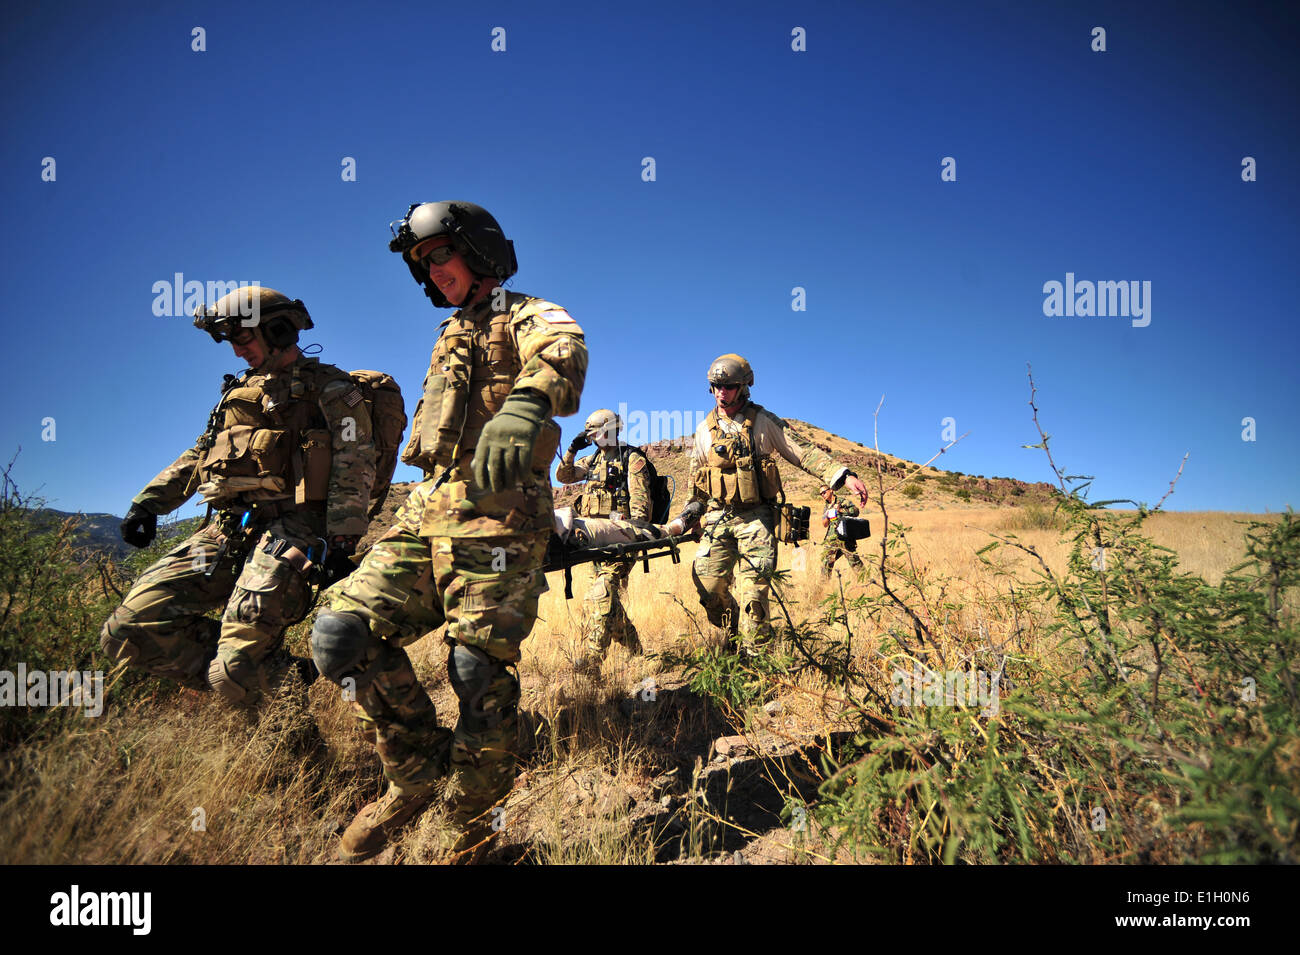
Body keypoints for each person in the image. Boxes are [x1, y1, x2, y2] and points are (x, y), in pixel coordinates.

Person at [310, 200, 587, 863]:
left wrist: (526, 402)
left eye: (438, 255)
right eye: (422, 266)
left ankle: (471, 828)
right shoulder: (450, 335)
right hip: (425, 514)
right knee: (338, 633)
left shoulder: (528, 313)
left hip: (502, 516)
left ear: (478, 250)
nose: (432, 273)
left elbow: (566, 349)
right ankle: (416, 769)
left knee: (474, 670)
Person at [101, 287, 375, 706]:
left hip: (294, 533)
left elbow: (354, 464)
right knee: (127, 631)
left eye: (242, 339)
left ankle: (288, 743)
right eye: (230, 341)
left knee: (234, 669)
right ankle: (276, 673)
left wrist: (341, 542)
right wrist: (149, 503)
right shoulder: (237, 394)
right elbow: (200, 452)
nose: (235, 352)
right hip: (227, 531)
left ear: (278, 330)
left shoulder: (332, 390)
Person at [688, 354, 868, 649]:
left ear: (745, 386)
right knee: (708, 588)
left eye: (729, 386)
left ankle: (757, 661)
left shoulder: (762, 422)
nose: (722, 392)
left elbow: (803, 451)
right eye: (715, 385)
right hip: (718, 517)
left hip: (756, 519)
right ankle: (733, 627)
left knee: (754, 597)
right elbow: (696, 480)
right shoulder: (703, 430)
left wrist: (842, 474)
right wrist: (689, 514)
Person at [555, 408, 653, 674]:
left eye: (597, 432)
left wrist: (632, 536)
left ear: (612, 430)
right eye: (591, 434)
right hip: (592, 540)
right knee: (608, 601)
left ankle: (591, 661)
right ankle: (637, 652)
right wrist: (573, 450)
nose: (595, 438)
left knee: (602, 593)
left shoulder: (632, 459)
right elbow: (563, 477)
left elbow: (641, 509)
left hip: (620, 538)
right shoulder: (592, 461)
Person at [819, 484, 866, 576]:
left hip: (845, 537)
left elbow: (855, 511)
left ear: (831, 490)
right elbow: (825, 524)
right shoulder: (826, 507)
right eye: (821, 494)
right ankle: (824, 587)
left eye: (824, 492)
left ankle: (867, 580)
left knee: (854, 561)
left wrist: (840, 510)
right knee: (826, 562)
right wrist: (827, 515)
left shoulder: (842, 501)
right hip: (832, 539)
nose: (823, 495)